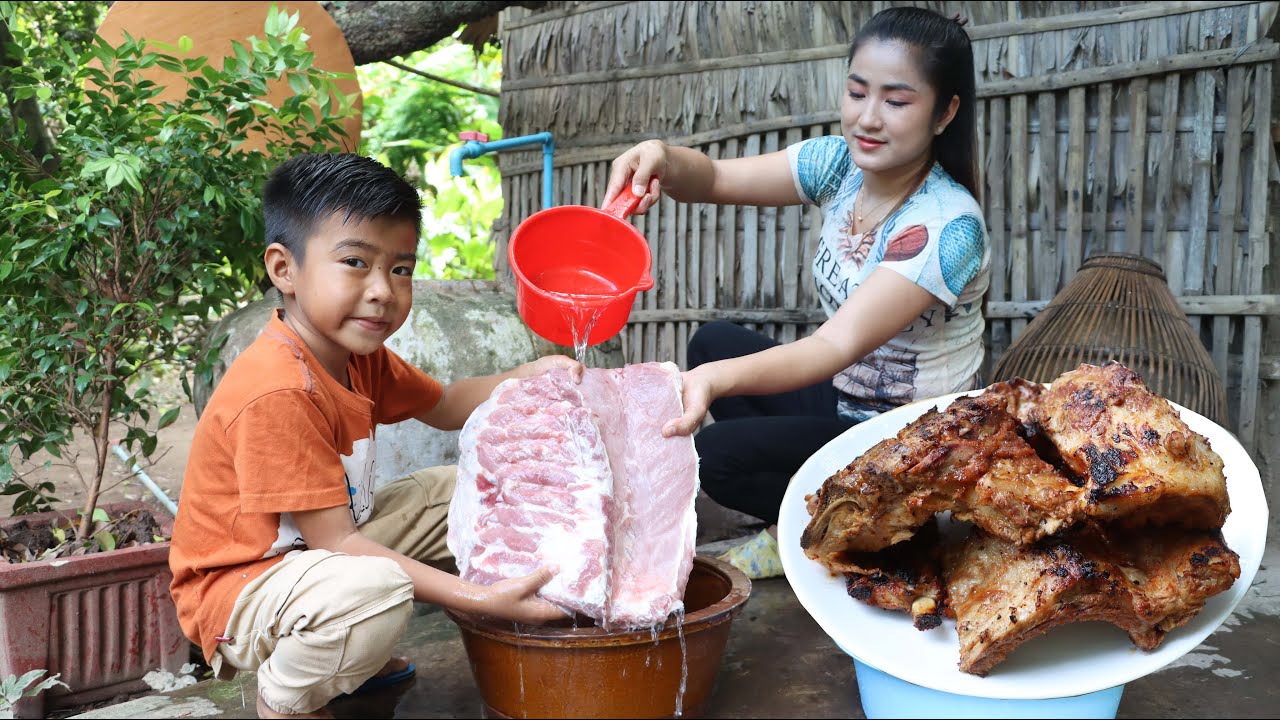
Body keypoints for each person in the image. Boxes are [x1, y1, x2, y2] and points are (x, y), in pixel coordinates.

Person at [169, 153, 579, 719]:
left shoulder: (358, 358)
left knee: (460, 490)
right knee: (377, 596)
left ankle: (346, 660)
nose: (383, 290)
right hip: (240, 588)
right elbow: (339, 543)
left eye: (401, 269)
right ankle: (288, 695)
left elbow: (446, 405)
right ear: (284, 269)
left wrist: (525, 378)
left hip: (317, 557)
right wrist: (479, 597)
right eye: (356, 262)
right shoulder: (278, 390)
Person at [601, 7, 988, 578]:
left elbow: (834, 345)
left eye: (896, 101)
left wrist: (713, 383)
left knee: (714, 459)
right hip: (843, 403)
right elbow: (711, 178)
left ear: (944, 112)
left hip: (909, 441)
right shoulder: (838, 167)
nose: (868, 118)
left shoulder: (946, 228)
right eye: (857, 92)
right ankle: (820, 512)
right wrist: (660, 155)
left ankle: (864, 536)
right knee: (713, 343)